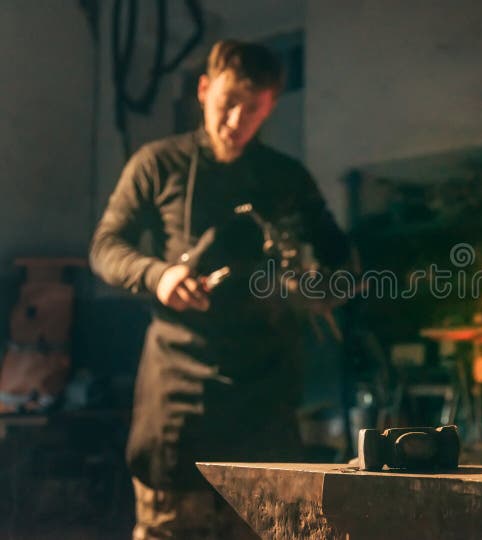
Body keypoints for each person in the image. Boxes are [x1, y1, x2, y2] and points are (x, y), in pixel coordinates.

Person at [90, 40, 349, 539]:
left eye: (252, 109)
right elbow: (106, 246)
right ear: (204, 90)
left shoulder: (286, 178)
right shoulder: (157, 163)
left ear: (271, 105)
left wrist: (320, 288)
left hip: (265, 398)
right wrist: (158, 275)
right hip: (178, 396)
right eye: (227, 102)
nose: (235, 120)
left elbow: (338, 253)